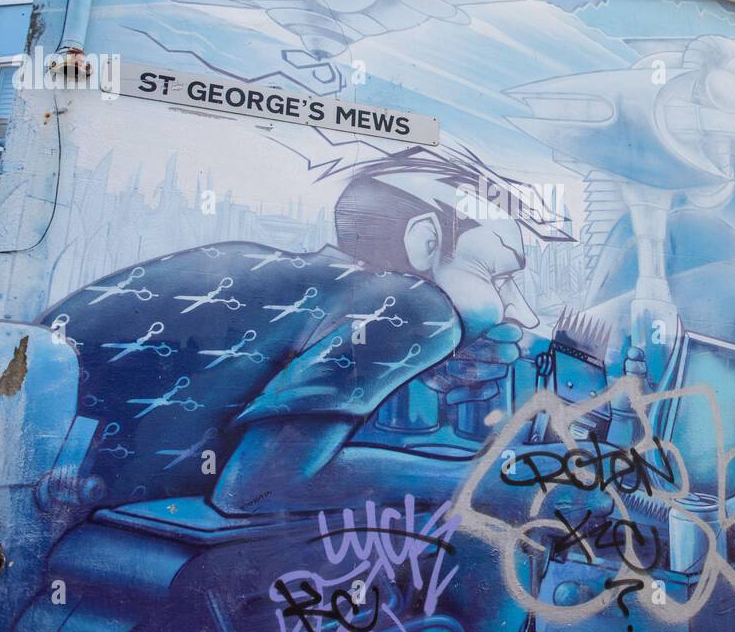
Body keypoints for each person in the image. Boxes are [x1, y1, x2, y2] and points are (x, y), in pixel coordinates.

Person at [41, 148, 545, 514]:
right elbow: (260, 490)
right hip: (88, 523)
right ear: (425, 240)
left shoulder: (279, 273)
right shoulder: (415, 306)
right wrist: (491, 483)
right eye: (497, 276)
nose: (520, 313)